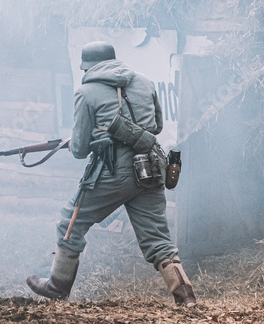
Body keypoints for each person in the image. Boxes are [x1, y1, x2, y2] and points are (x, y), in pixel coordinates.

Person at [26, 41, 196, 306]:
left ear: (87, 66)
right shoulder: (145, 82)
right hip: (151, 167)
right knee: (159, 240)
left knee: (70, 223)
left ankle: (57, 285)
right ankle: (186, 297)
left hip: (115, 171)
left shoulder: (85, 92)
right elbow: (157, 127)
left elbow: (80, 149)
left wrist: (76, 142)